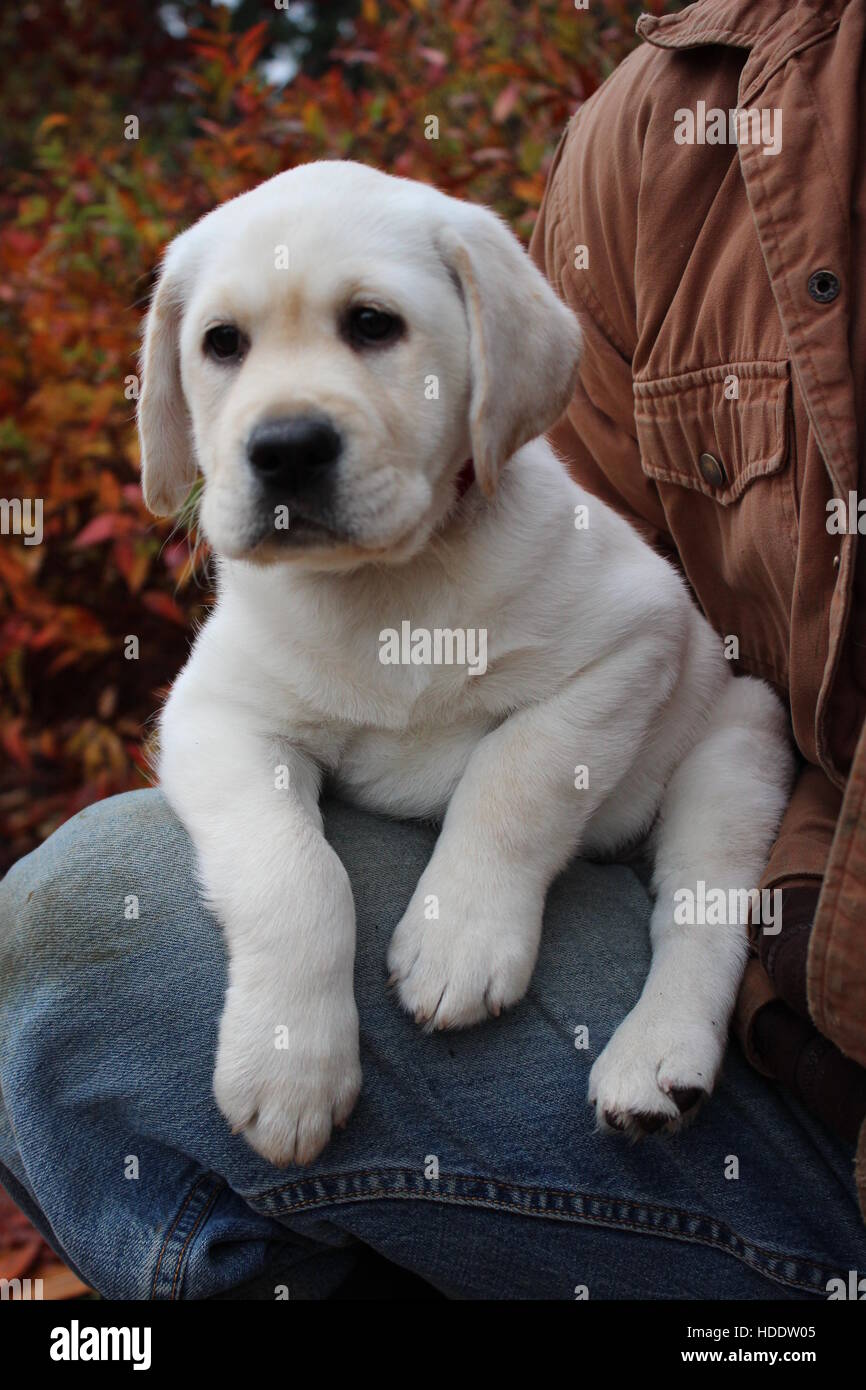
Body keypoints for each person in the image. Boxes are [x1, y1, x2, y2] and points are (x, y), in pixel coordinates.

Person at [2, 0, 865, 1299]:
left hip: (747, 977)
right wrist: (294, 932)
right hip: (575, 922)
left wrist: (497, 853)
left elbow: (641, 633)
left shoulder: (549, 548)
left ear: (491, 366)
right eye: (226, 347)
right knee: (68, 926)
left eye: (369, 326)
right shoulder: (663, 120)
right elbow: (217, 728)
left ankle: (678, 1012)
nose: (282, 421)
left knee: (730, 745)